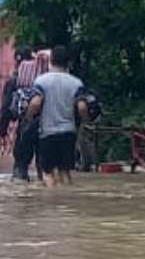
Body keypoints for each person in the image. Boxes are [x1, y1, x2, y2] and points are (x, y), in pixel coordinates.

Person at [26, 44, 88, 186]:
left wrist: (29, 117)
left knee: (47, 173)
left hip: (48, 133)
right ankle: (67, 202)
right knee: (65, 172)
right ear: (68, 62)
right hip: (69, 133)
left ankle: (53, 204)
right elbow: (82, 107)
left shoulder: (41, 81)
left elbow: (35, 103)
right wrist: (85, 122)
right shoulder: (76, 83)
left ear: (51, 61)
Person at [9, 50, 48, 182]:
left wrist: (3, 128)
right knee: (44, 168)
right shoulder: (50, 83)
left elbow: (7, 106)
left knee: (21, 165)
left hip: (27, 126)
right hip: (47, 129)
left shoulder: (16, 81)